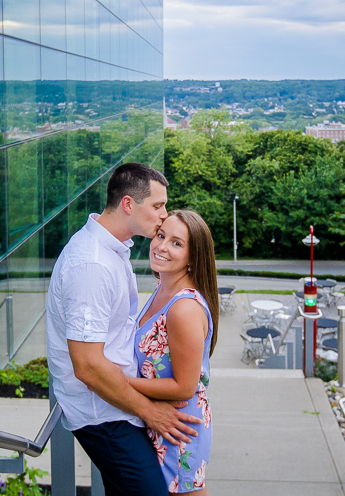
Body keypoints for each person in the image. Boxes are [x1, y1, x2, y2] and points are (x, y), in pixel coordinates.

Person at [46, 163, 202, 496]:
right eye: (157, 206)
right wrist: (150, 412)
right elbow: (87, 365)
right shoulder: (91, 265)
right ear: (129, 204)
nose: (163, 216)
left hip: (119, 404)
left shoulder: (112, 252)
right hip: (103, 414)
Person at [130, 209, 219, 494]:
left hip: (179, 428)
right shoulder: (161, 289)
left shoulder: (184, 309)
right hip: (160, 421)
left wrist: (116, 383)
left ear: (193, 259)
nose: (162, 246)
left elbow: (184, 386)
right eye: (161, 235)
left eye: (176, 243)